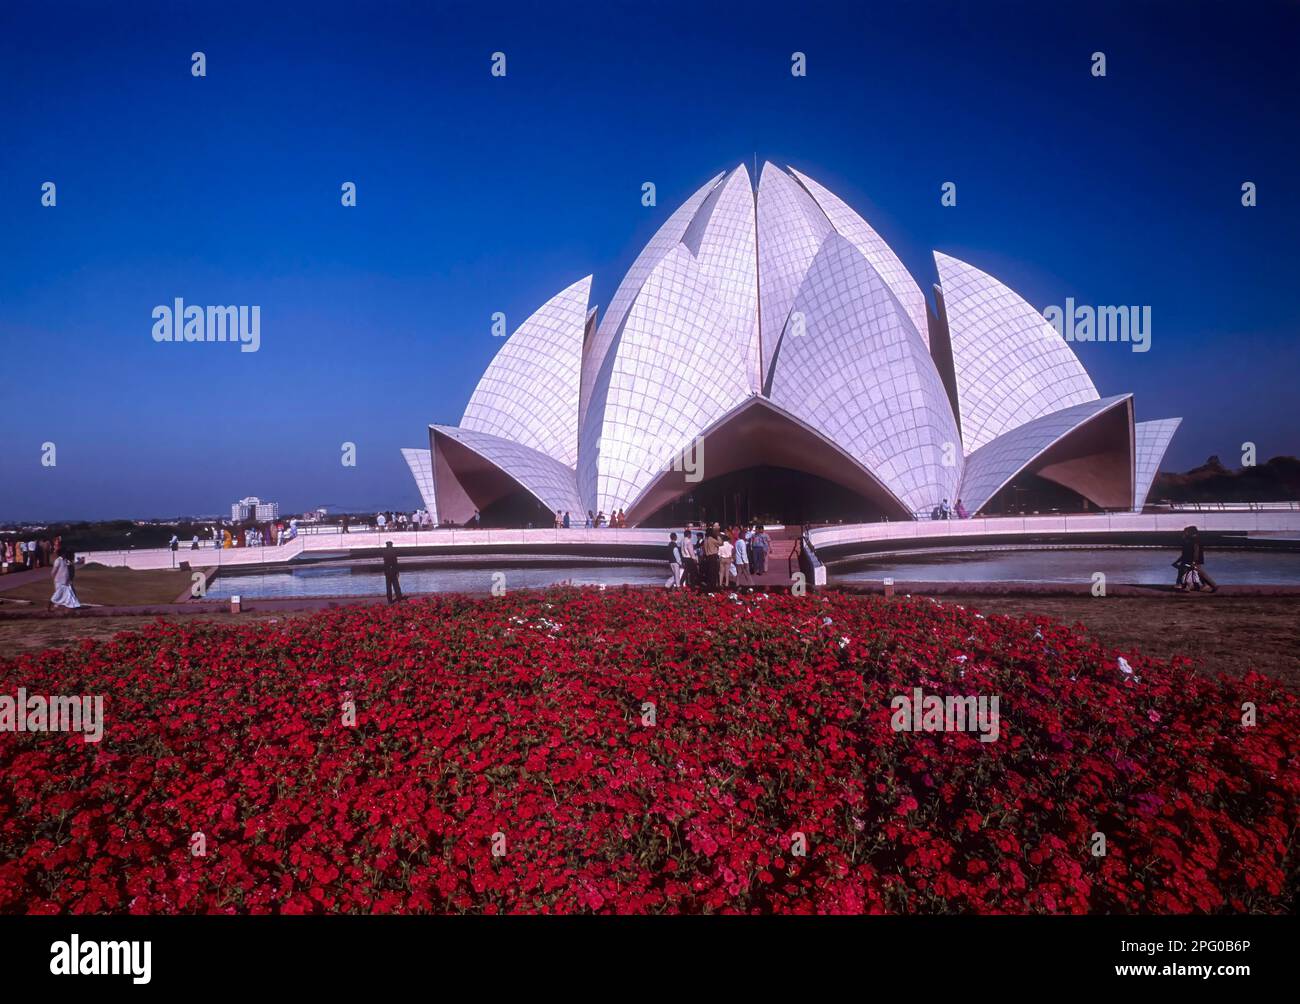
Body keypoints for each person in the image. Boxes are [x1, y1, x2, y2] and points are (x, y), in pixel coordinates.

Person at [1175, 526, 1218, 593]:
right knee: (1196, 573)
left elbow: (1195, 551)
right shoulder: (1194, 539)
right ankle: (1192, 586)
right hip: (1194, 560)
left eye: (1186, 531)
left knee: (1197, 573)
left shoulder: (1194, 540)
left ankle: (1213, 585)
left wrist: (1194, 561)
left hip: (1193, 560)